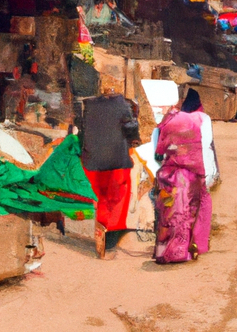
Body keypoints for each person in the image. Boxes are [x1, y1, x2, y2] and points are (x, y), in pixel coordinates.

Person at [153, 88, 215, 264]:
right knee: (195, 209)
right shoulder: (200, 120)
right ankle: (196, 245)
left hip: (173, 174)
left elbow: (159, 152)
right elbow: (205, 145)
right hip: (197, 171)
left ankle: (173, 252)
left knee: (173, 214)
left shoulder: (169, 124)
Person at [79, 91, 140, 258]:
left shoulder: (89, 105)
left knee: (100, 198)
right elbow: (131, 129)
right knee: (117, 198)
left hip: (92, 161)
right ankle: (110, 237)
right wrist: (135, 139)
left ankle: (102, 229)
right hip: (116, 161)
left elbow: (81, 132)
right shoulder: (123, 105)